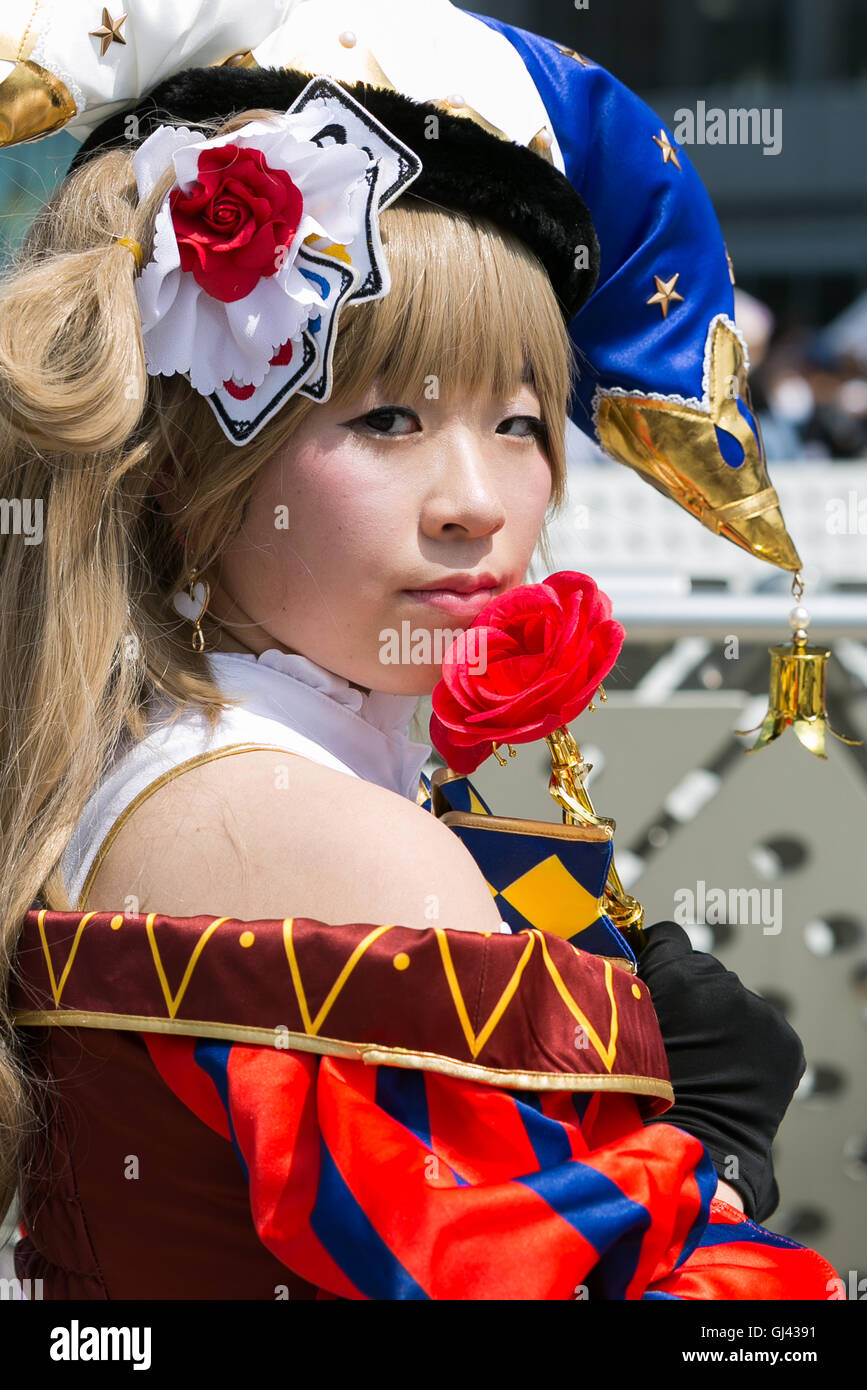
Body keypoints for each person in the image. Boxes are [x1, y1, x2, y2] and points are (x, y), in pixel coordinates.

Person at [0, 1, 839, 1299]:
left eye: (519, 418)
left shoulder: (158, 751)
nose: (479, 502)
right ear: (187, 457)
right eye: (388, 415)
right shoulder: (332, 837)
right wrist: (705, 1163)